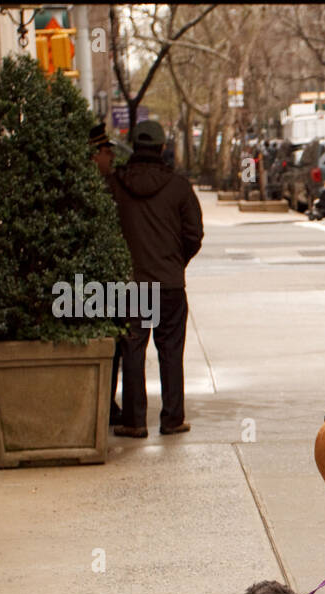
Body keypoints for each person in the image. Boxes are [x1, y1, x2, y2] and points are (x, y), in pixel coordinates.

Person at [110, 120, 203, 438]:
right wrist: (176, 262)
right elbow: (194, 234)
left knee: (132, 351)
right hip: (169, 284)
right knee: (171, 351)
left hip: (131, 284)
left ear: (133, 146)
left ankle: (134, 422)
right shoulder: (178, 186)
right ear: (163, 147)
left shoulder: (115, 184)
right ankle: (172, 418)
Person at [90, 122, 123, 426]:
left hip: (113, 281)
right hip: (98, 283)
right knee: (109, 339)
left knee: (117, 342)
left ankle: (108, 401)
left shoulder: (110, 184)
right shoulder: (92, 190)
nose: (111, 155)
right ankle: (103, 402)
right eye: (105, 150)